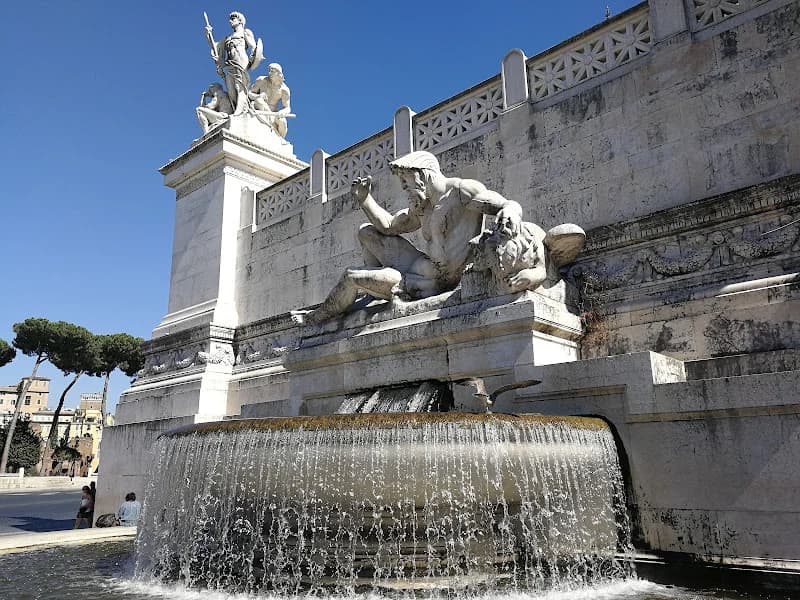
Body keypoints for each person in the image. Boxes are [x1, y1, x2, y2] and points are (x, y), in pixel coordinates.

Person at [292, 151, 523, 324]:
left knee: (351, 276)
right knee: (366, 232)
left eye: (406, 182)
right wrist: (365, 200)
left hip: (431, 282)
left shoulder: (462, 191)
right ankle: (370, 296)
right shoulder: (422, 207)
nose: (404, 189)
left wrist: (510, 212)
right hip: (420, 266)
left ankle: (316, 318)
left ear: (422, 176)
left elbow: (506, 204)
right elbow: (389, 226)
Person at [208, 12, 261, 115]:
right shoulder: (227, 37)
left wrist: (251, 61)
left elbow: (254, 47)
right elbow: (215, 46)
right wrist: (208, 34)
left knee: (239, 86)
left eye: (233, 19)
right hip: (229, 64)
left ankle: (240, 110)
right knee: (231, 89)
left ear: (240, 20)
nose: (230, 21)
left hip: (241, 61)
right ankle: (237, 107)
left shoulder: (245, 32)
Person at [249, 63, 292, 138]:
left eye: (273, 71)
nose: (270, 73)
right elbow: (249, 94)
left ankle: (280, 140)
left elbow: (287, 108)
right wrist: (258, 96)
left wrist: (282, 112)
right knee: (260, 101)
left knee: (282, 122)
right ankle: (271, 127)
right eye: (269, 70)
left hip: (273, 113)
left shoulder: (284, 90)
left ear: (279, 73)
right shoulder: (261, 80)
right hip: (259, 106)